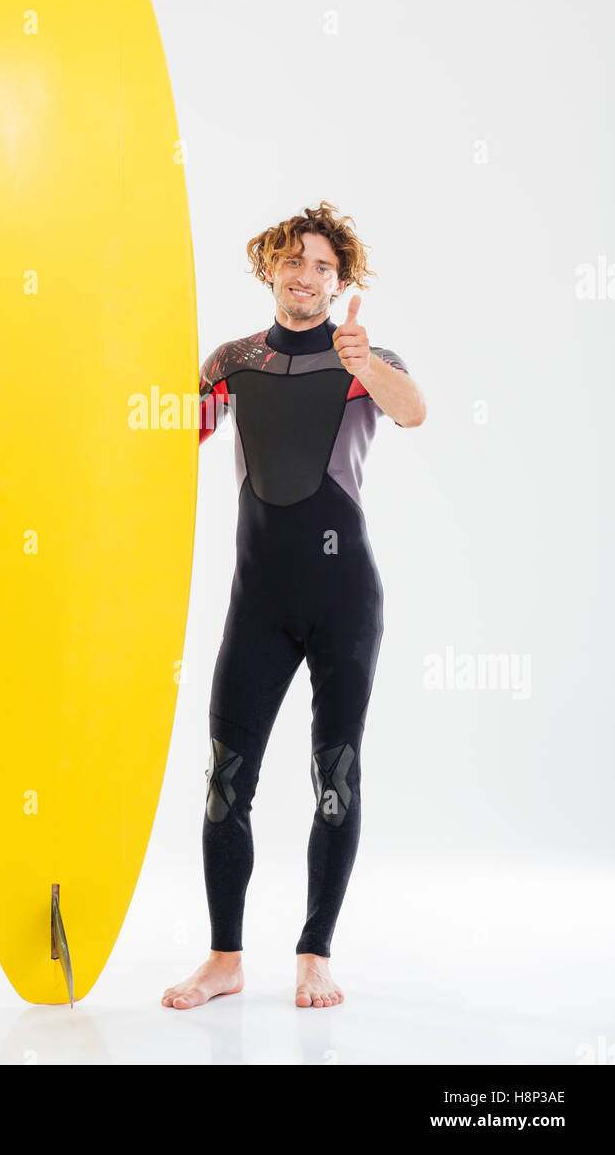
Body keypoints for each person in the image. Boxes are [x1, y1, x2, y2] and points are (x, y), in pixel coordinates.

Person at [161, 200, 426, 1010]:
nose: (305, 275)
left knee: (334, 778)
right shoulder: (232, 361)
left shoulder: (365, 359)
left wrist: (364, 362)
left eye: (321, 265)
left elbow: (414, 410)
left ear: (339, 280)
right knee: (225, 783)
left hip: (346, 600)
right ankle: (224, 958)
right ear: (270, 266)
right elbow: (166, 439)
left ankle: (315, 952)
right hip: (258, 604)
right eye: (292, 260)